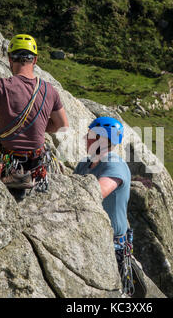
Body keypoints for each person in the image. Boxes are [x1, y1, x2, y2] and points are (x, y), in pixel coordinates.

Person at [0, 34, 68, 191]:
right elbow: (62, 126)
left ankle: (9, 172)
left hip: (6, 157)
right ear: (35, 60)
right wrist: (37, 124)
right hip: (36, 163)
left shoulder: (3, 86)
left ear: (10, 60)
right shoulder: (50, 90)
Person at [73, 117, 131, 274]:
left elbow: (95, 194)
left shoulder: (114, 165)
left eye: (90, 135)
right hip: (88, 234)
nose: (85, 138)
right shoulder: (84, 164)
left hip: (111, 244)